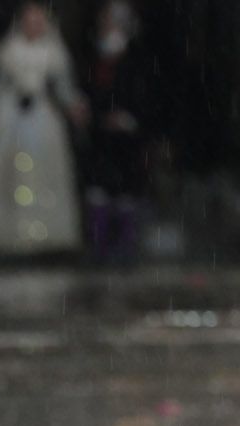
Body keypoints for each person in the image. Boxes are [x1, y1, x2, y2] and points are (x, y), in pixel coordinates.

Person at [0, 1, 84, 259]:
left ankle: (42, 236)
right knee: (10, 175)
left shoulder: (54, 52)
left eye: (38, 21)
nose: (33, 26)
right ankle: (8, 237)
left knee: (42, 175)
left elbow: (64, 89)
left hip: (42, 117)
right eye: (29, 20)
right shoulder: (8, 51)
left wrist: (74, 105)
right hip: (11, 117)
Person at [85, 0, 157, 265]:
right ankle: (99, 248)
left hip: (129, 137)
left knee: (127, 193)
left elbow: (147, 96)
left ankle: (125, 249)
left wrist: (130, 118)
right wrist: (98, 115)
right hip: (100, 136)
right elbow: (89, 93)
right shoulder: (93, 58)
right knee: (99, 190)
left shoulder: (138, 59)